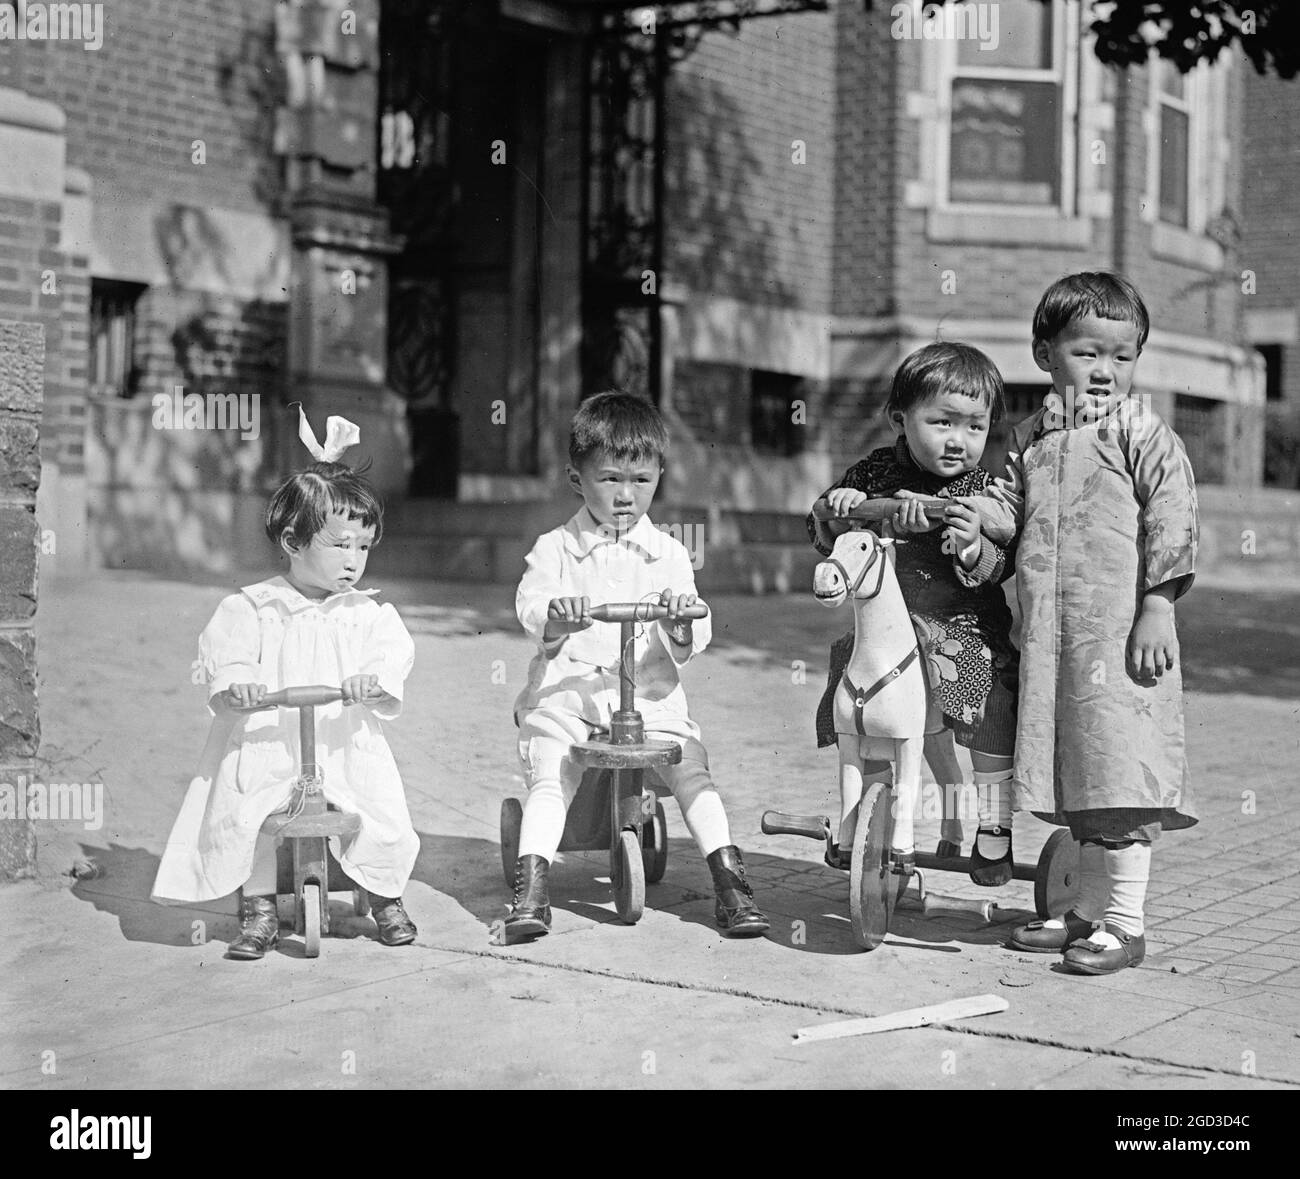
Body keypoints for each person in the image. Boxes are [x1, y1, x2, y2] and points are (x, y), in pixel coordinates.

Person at [951, 271, 1198, 975]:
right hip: (1054, 645)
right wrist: (977, 533)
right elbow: (1004, 512)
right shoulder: (1031, 439)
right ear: (1044, 353)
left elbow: (1173, 517)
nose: (1105, 370)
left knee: (1117, 775)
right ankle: (1085, 911)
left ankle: (1125, 922)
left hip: (1121, 641)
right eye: (1089, 352)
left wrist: (1159, 607)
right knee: (1081, 782)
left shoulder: (1141, 433)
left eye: (1123, 356)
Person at [152, 411, 421, 958]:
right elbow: (225, 652)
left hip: (342, 739)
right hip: (270, 740)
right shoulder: (254, 606)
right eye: (340, 545)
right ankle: (259, 908)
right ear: (295, 541)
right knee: (247, 813)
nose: (354, 562)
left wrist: (374, 678)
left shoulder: (364, 613)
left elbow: (393, 650)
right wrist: (238, 682)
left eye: (363, 548)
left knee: (379, 808)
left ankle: (384, 892)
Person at [505, 390, 769, 942]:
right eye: (609, 479)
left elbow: (697, 625)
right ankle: (531, 891)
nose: (626, 496)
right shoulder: (554, 548)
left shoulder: (670, 553)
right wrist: (558, 615)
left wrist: (679, 619)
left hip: (648, 699)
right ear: (577, 479)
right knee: (552, 770)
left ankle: (730, 883)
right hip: (570, 696)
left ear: (659, 477)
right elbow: (530, 607)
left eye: (641, 480)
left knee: (691, 768)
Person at [808, 342, 1019, 883]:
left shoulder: (980, 490)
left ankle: (993, 823)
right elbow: (826, 531)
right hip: (893, 626)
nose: (959, 440)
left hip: (961, 623)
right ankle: (871, 812)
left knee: (993, 694)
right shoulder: (874, 473)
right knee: (850, 681)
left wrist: (971, 543)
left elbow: (1000, 562)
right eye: (942, 422)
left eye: (975, 426)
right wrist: (835, 512)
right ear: (901, 420)